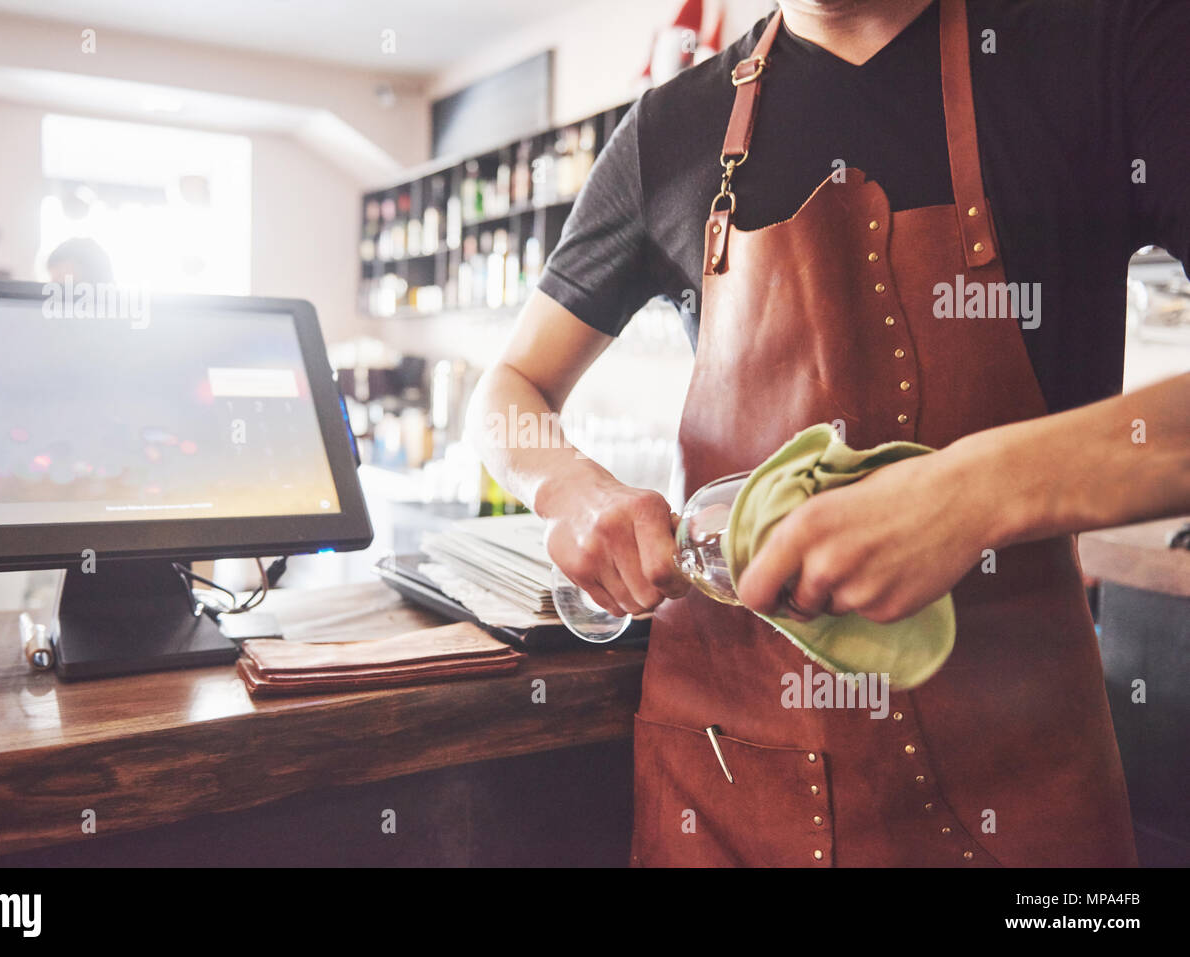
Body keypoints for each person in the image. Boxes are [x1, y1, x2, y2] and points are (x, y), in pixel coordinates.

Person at [469, 0, 1190, 867]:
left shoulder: (1111, 43)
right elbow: (508, 389)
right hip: (731, 786)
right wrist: (573, 491)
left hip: (1028, 794)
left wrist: (972, 491)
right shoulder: (670, 129)